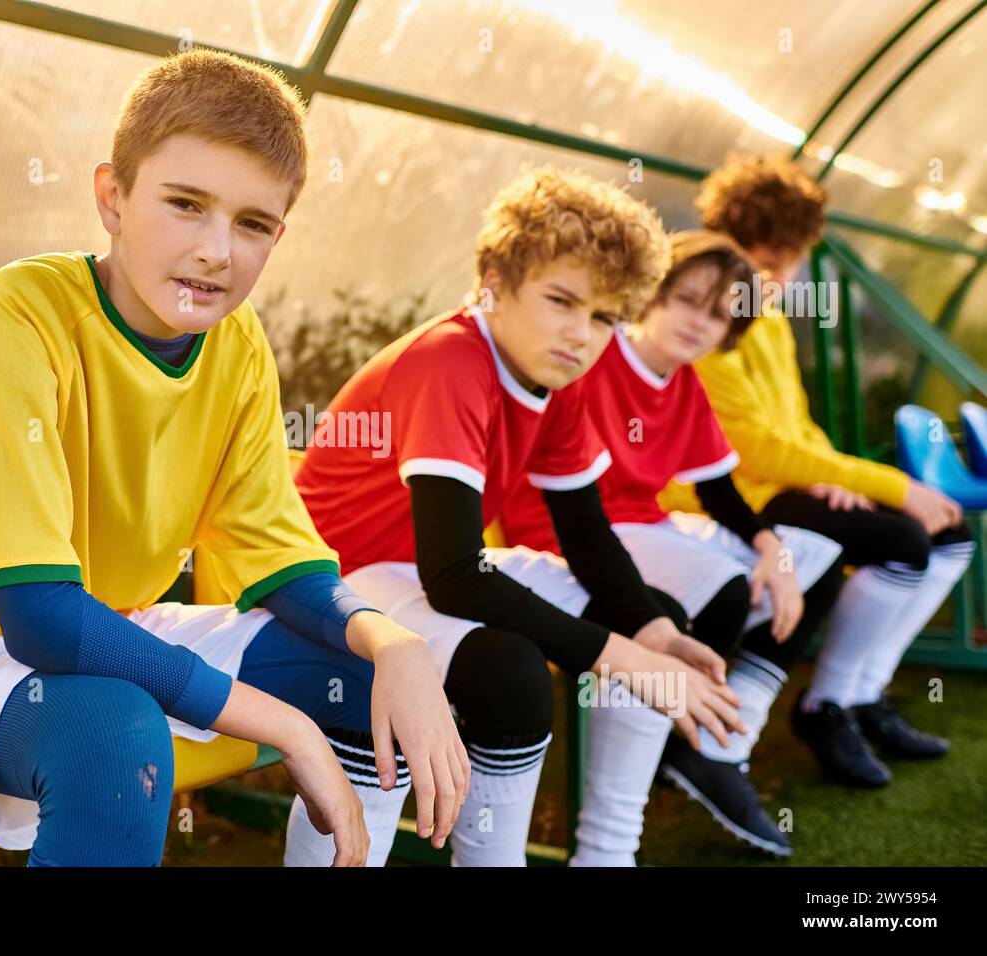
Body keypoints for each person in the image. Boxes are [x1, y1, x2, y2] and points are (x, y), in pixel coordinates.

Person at [0, 49, 469, 867]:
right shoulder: (23, 314)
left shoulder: (237, 343)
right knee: (114, 734)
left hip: (105, 628)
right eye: (186, 204)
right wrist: (285, 725)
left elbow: (277, 554)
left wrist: (387, 639)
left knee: (374, 681)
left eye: (252, 224)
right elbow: (41, 618)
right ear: (112, 197)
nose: (217, 250)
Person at [295, 167, 744, 867]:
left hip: (413, 574)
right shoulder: (450, 359)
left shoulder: (556, 374)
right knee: (511, 672)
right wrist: (617, 655)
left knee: (649, 619)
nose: (581, 333)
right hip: (331, 579)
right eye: (562, 300)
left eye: (604, 316)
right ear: (495, 281)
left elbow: (586, 533)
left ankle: (607, 855)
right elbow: (455, 578)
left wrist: (653, 632)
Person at [501, 230, 845, 856]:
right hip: (568, 529)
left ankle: (707, 743)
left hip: (642, 524)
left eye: (719, 314)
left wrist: (771, 545)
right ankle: (679, 745)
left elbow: (718, 490)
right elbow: (573, 502)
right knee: (723, 590)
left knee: (812, 555)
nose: (700, 322)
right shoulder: (597, 353)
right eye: (688, 299)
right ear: (651, 294)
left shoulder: (684, 383)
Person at [663, 154, 976, 786]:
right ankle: (822, 706)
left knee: (951, 536)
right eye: (762, 262)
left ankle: (858, 695)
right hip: (729, 497)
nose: (770, 278)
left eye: (784, 263)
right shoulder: (708, 321)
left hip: (778, 485)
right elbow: (751, 449)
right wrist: (891, 485)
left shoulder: (766, 313)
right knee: (903, 540)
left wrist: (831, 475)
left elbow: (794, 428)